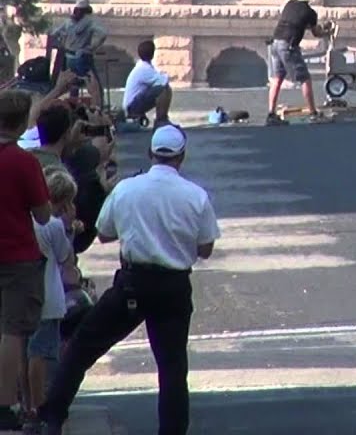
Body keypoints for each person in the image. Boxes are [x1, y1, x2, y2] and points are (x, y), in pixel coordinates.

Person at [37, 124, 221, 435]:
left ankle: (51, 416)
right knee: (172, 367)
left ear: (151, 154)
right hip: (173, 286)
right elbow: (205, 248)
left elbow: (105, 233)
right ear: (181, 156)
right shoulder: (196, 196)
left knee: (83, 347)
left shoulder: (127, 189)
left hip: (133, 283)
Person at [0, 90, 54, 431]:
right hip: (16, 255)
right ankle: (5, 403)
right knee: (12, 331)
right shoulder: (23, 161)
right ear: (21, 123)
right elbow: (44, 214)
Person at [27, 167, 77, 424]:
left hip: (24, 295)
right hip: (48, 299)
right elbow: (65, 258)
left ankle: (26, 403)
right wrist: (69, 228)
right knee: (40, 354)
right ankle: (38, 406)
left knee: (25, 351)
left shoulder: (26, 218)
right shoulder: (54, 225)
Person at [266, 0, 332, 124]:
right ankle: (313, 114)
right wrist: (326, 32)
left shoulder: (289, 4)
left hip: (275, 42)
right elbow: (316, 32)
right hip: (288, 45)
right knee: (305, 79)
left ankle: (271, 114)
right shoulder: (310, 12)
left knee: (277, 79)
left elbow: (295, 22)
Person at [47, 0, 106, 104]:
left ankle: (71, 103)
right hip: (81, 56)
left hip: (69, 57)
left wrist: (62, 41)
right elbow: (103, 34)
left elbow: (55, 34)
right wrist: (92, 48)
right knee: (92, 82)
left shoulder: (68, 22)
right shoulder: (90, 22)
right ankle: (98, 106)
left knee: (71, 83)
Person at [122, 40, 172, 126]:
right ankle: (161, 119)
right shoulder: (144, 69)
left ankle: (161, 118)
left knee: (163, 88)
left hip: (132, 104)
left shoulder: (143, 67)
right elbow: (163, 81)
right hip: (132, 107)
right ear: (153, 54)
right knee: (164, 89)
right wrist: (165, 74)